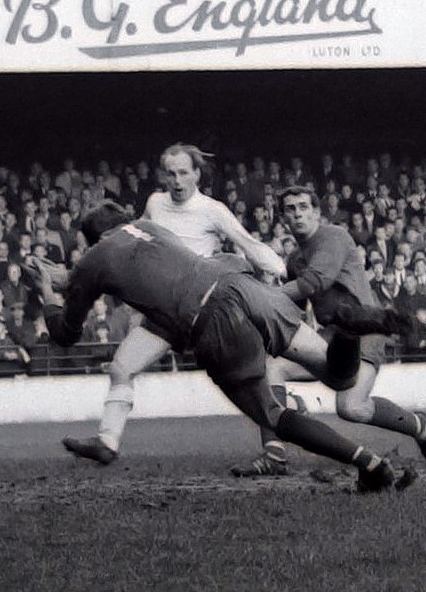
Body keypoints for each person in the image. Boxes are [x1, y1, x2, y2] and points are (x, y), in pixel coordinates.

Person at [37, 202, 415, 493]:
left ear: (92, 239)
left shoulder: (95, 257)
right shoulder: (149, 227)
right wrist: (70, 278)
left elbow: (65, 334)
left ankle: (371, 466)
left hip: (212, 318)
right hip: (243, 285)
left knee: (272, 416)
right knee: (339, 376)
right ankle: (346, 332)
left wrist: (48, 293)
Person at [63, 144, 287, 471]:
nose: (177, 180)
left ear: (197, 174)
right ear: (162, 176)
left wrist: (280, 269)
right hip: (164, 314)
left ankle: (276, 447)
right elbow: (129, 237)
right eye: (171, 174)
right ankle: (107, 442)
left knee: (252, 383)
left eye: (184, 173)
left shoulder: (213, 210)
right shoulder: (155, 203)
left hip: (206, 308)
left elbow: (248, 244)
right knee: (122, 367)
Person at [275, 184, 426, 466]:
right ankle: (274, 452)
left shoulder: (333, 236)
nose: (298, 214)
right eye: (290, 209)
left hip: (364, 331)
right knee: (272, 366)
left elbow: (316, 282)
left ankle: (421, 428)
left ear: (316, 212)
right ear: (283, 218)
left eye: (304, 207)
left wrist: (263, 295)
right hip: (329, 338)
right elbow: (295, 309)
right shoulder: (295, 261)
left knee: (352, 407)